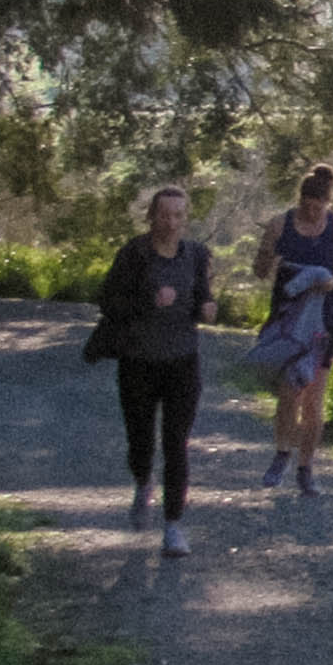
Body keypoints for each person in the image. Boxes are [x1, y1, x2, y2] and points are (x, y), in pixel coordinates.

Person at [89, 184, 217, 557]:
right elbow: (107, 302)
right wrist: (148, 299)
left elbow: (203, 298)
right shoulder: (134, 254)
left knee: (176, 444)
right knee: (141, 441)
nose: (172, 222)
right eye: (165, 215)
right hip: (139, 362)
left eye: (179, 215)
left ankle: (173, 526)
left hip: (182, 362)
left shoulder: (195, 255)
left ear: (186, 218)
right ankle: (142, 480)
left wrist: (207, 308)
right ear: (152, 216)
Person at [249, 165, 333, 495]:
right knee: (289, 394)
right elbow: (259, 270)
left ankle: (306, 467)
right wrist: (264, 257)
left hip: (323, 322)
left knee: (314, 400)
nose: (312, 212)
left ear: (328, 203)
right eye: (307, 205)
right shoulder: (280, 224)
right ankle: (282, 454)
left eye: (319, 207)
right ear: (299, 200)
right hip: (287, 321)